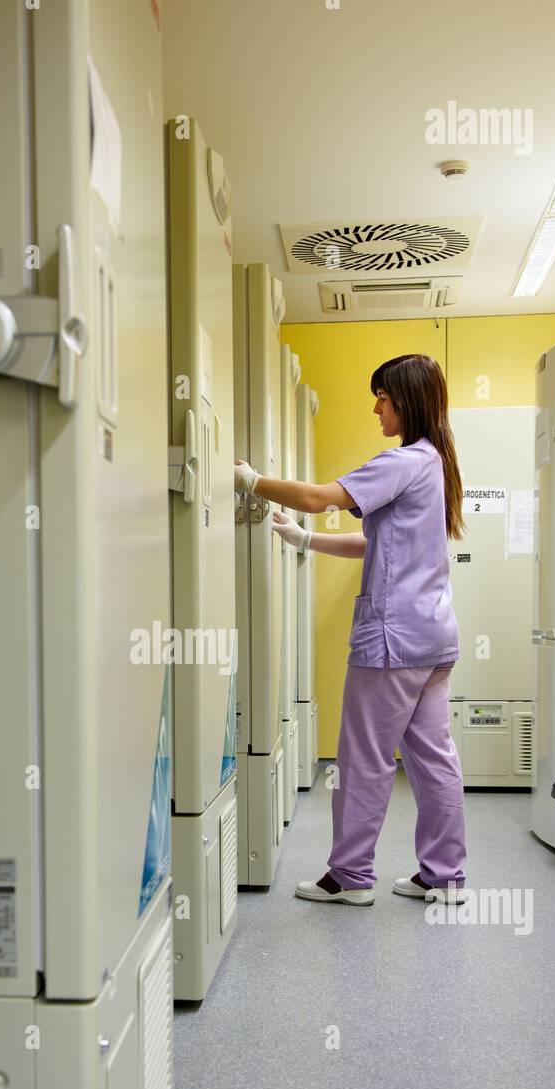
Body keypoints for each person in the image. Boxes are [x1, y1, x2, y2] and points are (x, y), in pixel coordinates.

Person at [233, 353, 468, 907]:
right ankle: (444, 875)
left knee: (363, 760)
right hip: (433, 641)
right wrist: (305, 540)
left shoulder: (402, 460)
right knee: (434, 758)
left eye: (383, 397)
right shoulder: (436, 465)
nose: (376, 406)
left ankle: (349, 877)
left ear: (406, 400)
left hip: (392, 642)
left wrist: (251, 480)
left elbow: (319, 497)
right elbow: (377, 545)